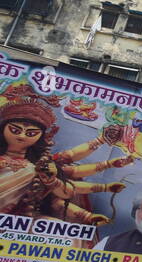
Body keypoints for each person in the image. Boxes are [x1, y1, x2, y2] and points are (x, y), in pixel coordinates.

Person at [0, 85, 131, 224]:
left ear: (42, 137)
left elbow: (65, 191)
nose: (21, 136)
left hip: (16, 222)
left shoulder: (42, 166)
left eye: (31, 133)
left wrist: (51, 180)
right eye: (15, 130)